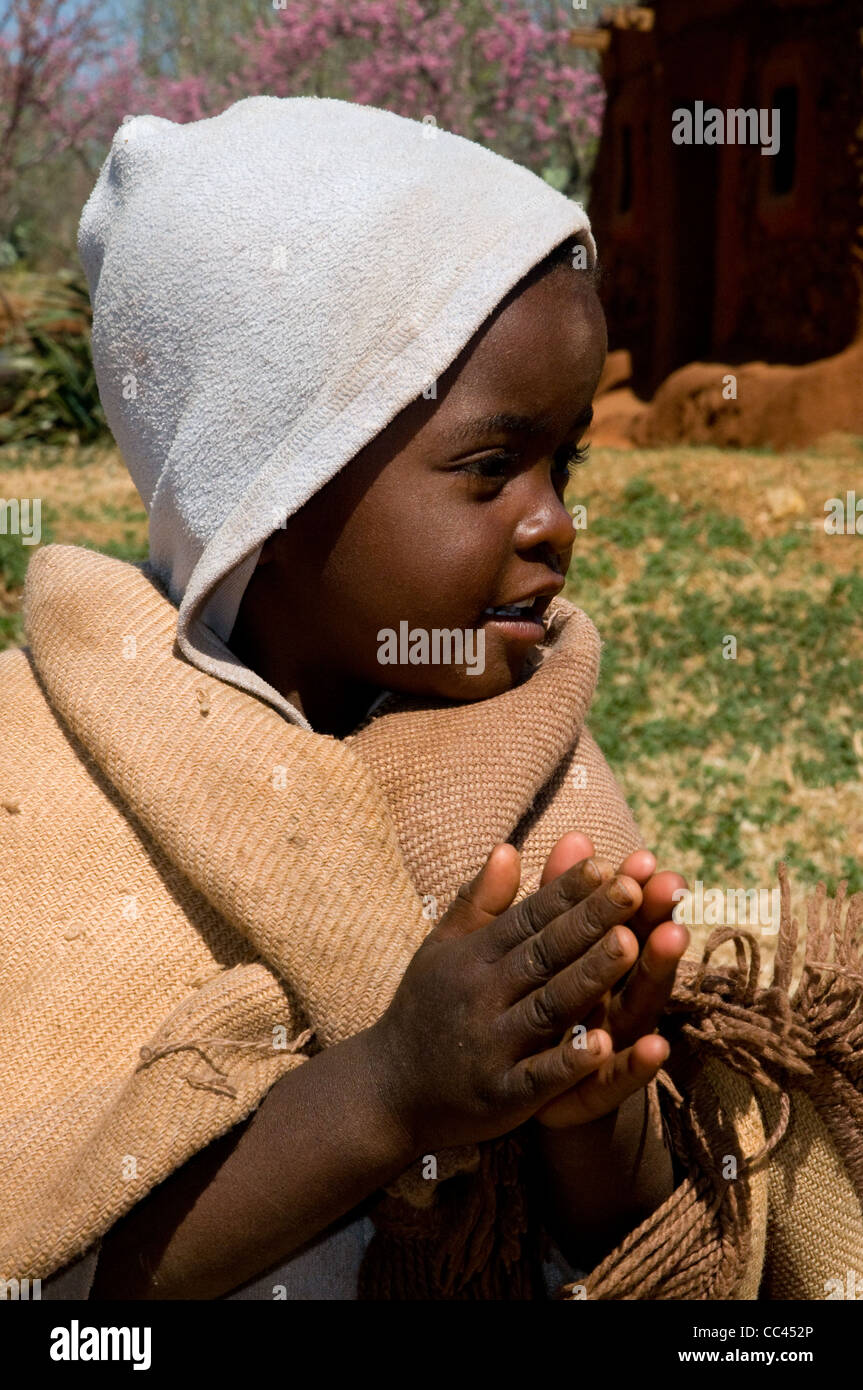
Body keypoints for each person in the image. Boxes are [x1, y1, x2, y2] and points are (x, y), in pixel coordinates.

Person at [5, 97, 860, 1302]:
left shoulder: (533, 757)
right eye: (488, 466)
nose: (552, 521)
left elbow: (623, 1248)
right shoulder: (43, 785)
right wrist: (386, 1091)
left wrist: (583, 1118)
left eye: (563, 464)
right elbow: (69, 1274)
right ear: (277, 487)